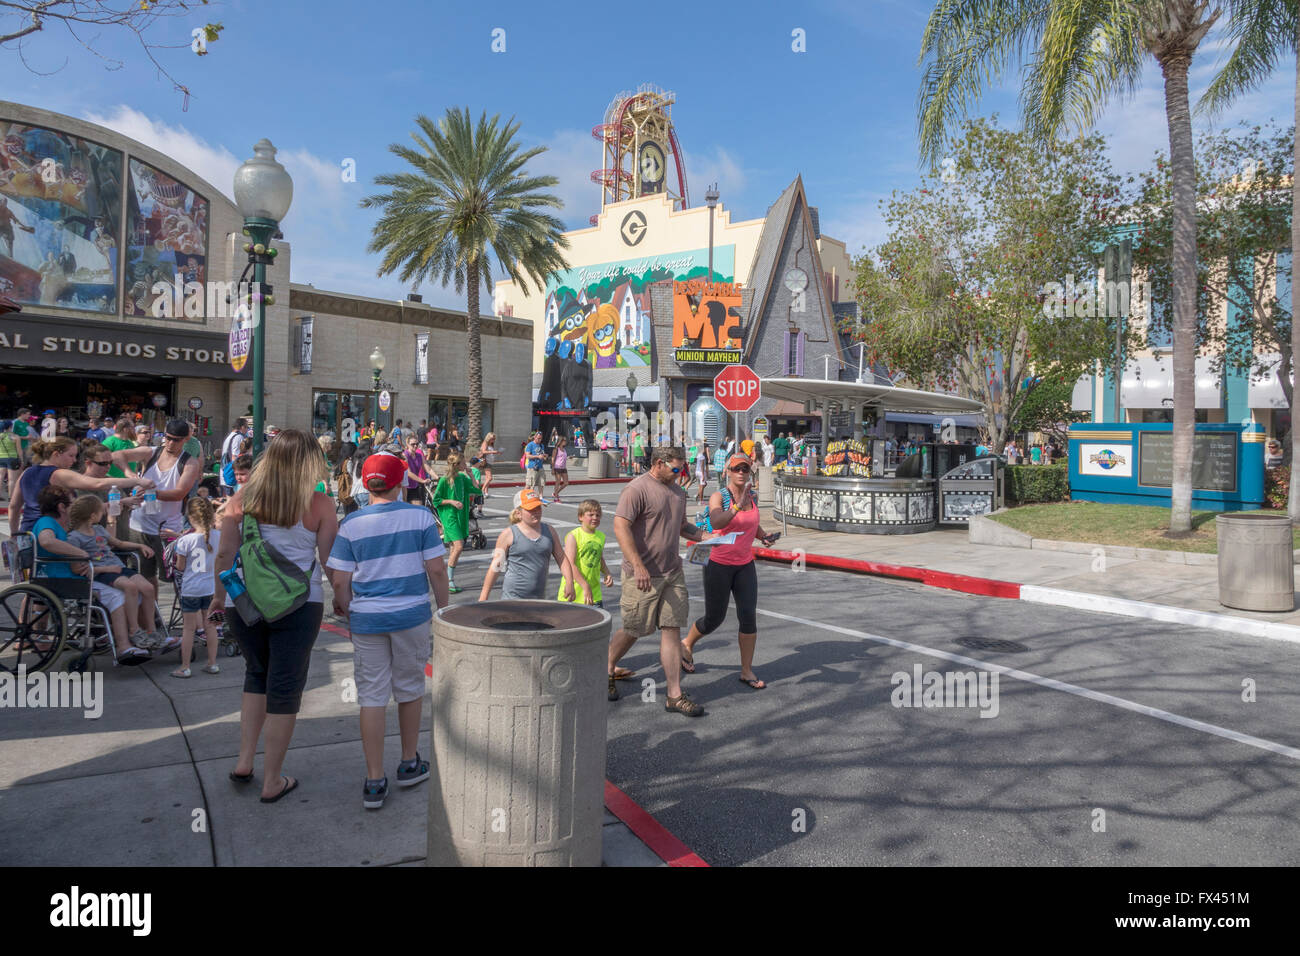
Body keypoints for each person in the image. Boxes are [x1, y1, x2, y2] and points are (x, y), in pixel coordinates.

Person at [210, 428, 338, 803]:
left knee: (256, 676)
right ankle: (272, 780)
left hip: (244, 603)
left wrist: (219, 598)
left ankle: (244, 762)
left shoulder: (242, 499)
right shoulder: (320, 504)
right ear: (310, 463)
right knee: (285, 688)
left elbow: (224, 556)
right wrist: (344, 596)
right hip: (299, 604)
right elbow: (329, 562)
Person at [327, 452, 450, 810]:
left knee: (372, 695)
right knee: (410, 687)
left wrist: (347, 606)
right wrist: (443, 610)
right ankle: (409, 762)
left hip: (367, 619)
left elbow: (339, 580)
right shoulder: (420, 517)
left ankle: (374, 778)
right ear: (401, 482)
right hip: (411, 615)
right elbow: (437, 570)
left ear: (366, 483)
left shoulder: (351, 524)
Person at [606, 446, 713, 716]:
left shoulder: (678, 492)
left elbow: (682, 527)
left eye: (683, 469)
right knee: (634, 628)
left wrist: (704, 536)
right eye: (676, 469)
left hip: (671, 572)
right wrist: (638, 565)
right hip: (642, 573)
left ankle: (674, 695)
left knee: (672, 628)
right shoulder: (637, 489)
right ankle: (607, 665)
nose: (680, 474)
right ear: (658, 463)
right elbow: (620, 526)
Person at [680, 454, 780, 690]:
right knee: (715, 618)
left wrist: (763, 536)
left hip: (745, 564)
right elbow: (716, 522)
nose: (742, 473)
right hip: (718, 564)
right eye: (737, 469)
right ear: (728, 472)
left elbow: (751, 524)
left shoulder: (751, 497)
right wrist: (736, 505)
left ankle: (746, 670)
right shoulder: (720, 496)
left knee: (748, 617)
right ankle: (687, 643)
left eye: (746, 469)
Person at [32, 486, 150, 665]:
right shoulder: (47, 522)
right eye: (71, 503)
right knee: (118, 595)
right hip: (65, 579)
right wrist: (80, 553)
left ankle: (141, 634)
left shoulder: (59, 526)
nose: (73, 507)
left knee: (135, 590)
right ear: (62, 507)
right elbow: (46, 541)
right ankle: (123, 645)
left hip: (76, 574)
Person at [119, 419, 203, 610]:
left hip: (167, 528)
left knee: (176, 577)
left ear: (185, 439)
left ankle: (193, 621)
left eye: (176, 440)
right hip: (139, 525)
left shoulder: (189, 463)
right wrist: (130, 475)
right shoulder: (150, 452)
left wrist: (151, 491)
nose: (171, 443)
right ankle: (153, 619)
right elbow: (117, 455)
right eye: (168, 438)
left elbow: (179, 493)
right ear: (164, 436)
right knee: (145, 577)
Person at [66, 494, 163, 651]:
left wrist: (139, 546)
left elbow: (118, 543)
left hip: (117, 567)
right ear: (92, 515)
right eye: (100, 511)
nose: (103, 513)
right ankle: (134, 629)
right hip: (102, 572)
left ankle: (151, 630)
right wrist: (107, 569)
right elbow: (77, 569)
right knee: (130, 587)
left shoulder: (98, 529)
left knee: (148, 588)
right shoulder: (74, 538)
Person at [10, 436, 152, 539]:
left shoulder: (27, 472)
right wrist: (137, 481)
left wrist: (14, 534)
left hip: (27, 533)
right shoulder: (58, 473)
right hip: (52, 533)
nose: (74, 460)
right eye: (71, 455)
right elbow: (97, 483)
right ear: (56, 454)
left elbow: (14, 507)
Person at [479, 488, 586, 602]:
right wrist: (484, 597)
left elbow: (562, 558)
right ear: (518, 513)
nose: (536, 512)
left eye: (538, 508)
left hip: (538, 599)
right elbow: (496, 566)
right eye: (531, 509)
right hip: (512, 598)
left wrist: (569, 582)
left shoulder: (549, 531)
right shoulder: (508, 534)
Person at [171, 497, 222, 678]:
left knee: (188, 629)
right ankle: (212, 663)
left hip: (191, 588)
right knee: (211, 627)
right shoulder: (219, 536)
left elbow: (180, 567)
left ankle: (185, 667)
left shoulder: (185, 540)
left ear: (191, 518)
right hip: (212, 589)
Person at [557, 499, 614, 608]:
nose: (595, 518)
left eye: (598, 515)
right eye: (590, 515)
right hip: (574, 594)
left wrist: (607, 573)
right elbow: (570, 564)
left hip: (594, 594)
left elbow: (599, 558)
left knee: (597, 624)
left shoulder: (601, 536)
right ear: (581, 517)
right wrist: (585, 586)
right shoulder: (573, 536)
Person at [433, 453, 476, 594]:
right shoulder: (444, 480)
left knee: (453, 548)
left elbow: (477, 490)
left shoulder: (463, 478)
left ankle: (449, 579)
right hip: (449, 517)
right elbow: (436, 500)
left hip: (460, 516)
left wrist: (472, 475)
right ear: (457, 465)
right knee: (459, 546)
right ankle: (448, 580)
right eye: (463, 463)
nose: (466, 465)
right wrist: (451, 501)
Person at [402, 435, 429, 505]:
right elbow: (408, 473)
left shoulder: (419, 456)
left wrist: (437, 477)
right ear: (407, 444)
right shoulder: (405, 455)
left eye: (417, 444)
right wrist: (422, 480)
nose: (415, 446)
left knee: (418, 508)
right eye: (413, 444)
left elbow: (427, 468)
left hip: (415, 486)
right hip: (405, 487)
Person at [0, 418, 22, 502]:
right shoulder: (15, 437)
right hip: (12, 458)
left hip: (1, 458)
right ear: (11, 426)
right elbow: (19, 450)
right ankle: (11, 497)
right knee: (11, 479)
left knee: (0, 477)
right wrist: (21, 460)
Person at [478, 432, 499, 499]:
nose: (493, 440)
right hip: (485, 462)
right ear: (488, 438)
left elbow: (489, 453)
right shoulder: (485, 443)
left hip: (490, 462)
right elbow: (483, 451)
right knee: (490, 478)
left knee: (487, 478)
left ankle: (486, 492)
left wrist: (496, 453)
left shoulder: (491, 444)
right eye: (492, 439)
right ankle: (482, 490)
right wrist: (493, 452)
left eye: (494, 439)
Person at [551, 435, 570, 503]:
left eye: (565, 440)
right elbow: (553, 459)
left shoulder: (564, 449)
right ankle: (556, 498)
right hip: (557, 467)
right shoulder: (556, 449)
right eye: (564, 440)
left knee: (566, 483)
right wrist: (553, 469)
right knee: (558, 482)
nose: (565, 442)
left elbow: (562, 458)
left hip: (563, 468)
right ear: (560, 441)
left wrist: (568, 457)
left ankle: (555, 493)